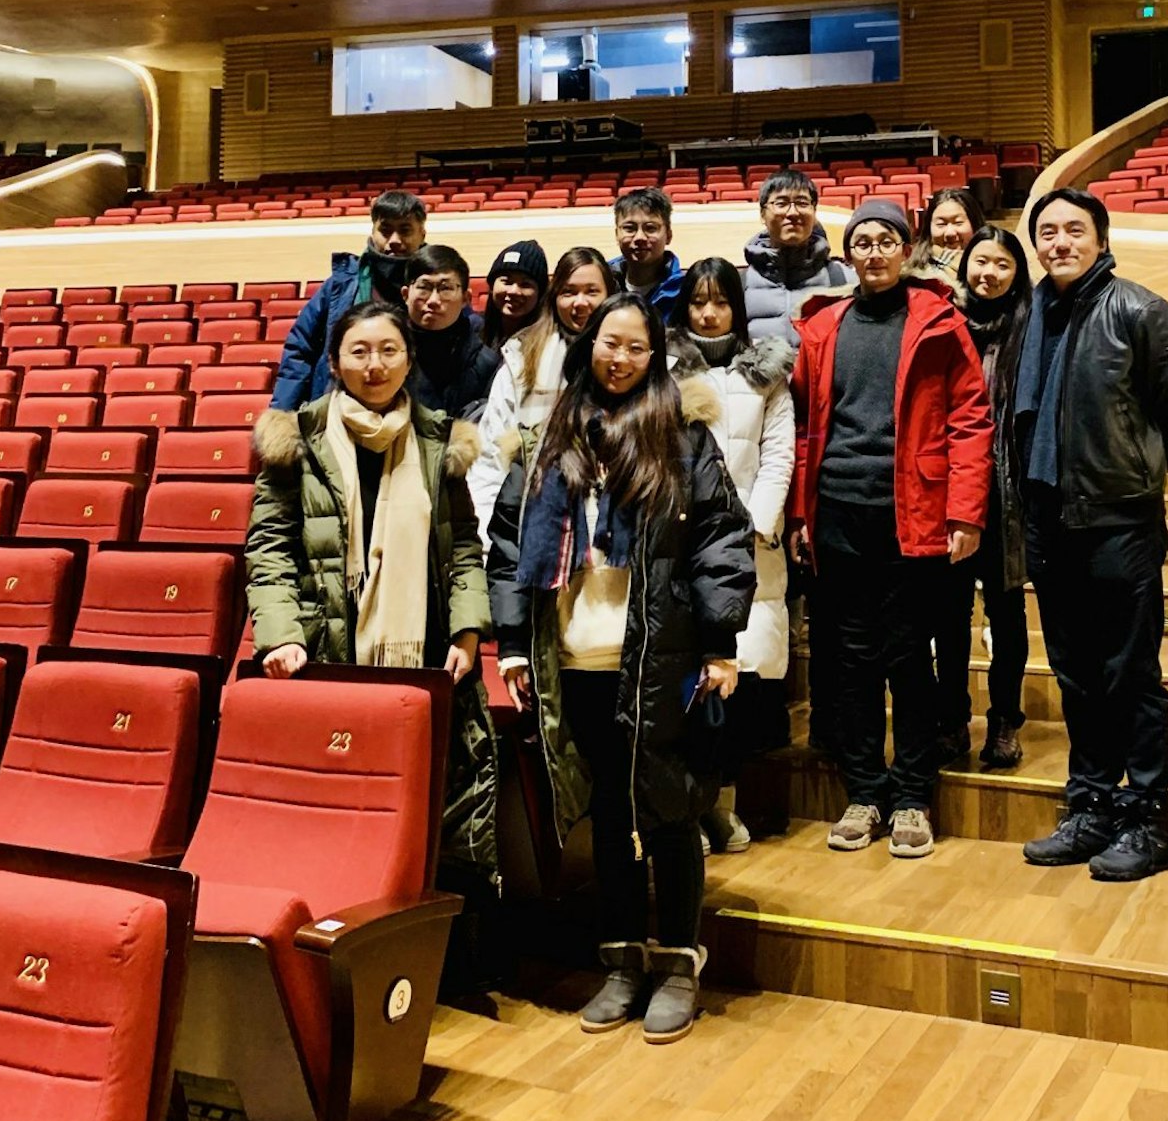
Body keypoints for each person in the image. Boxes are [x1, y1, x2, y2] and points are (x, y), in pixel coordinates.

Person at [487, 292, 754, 1043]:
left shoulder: (681, 437)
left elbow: (719, 542)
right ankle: (621, 960)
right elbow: (509, 545)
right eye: (611, 342)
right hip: (575, 657)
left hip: (659, 655)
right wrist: (512, 641)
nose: (621, 357)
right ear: (587, 344)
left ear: (655, 357)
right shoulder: (548, 439)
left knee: (668, 810)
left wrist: (718, 643)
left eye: (638, 347)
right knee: (606, 816)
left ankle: (675, 962)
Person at [248, 301, 496, 880]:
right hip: (323, 656)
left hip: (424, 657)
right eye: (359, 351)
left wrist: (466, 630)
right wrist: (280, 637)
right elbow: (269, 550)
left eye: (389, 350)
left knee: (420, 813)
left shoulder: (439, 442)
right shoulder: (297, 440)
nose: (375, 364)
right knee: (335, 816)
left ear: (409, 361)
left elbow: (463, 547)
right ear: (334, 363)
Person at [1015, 188, 1168, 884]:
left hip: (1119, 521)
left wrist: (1137, 464)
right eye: (1048, 231)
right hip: (1049, 520)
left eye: (1074, 230)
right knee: (1077, 674)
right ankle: (1091, 805)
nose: (1059, 242)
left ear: (1101, 237)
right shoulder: (1031, 314)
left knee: (1130, 674)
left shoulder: (1138, 309)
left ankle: (1145, 816)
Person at [788, 199, 992, 860]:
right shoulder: (823, 326)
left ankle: (910, 794)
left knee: (908, 658)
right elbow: (800, 428)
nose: (873, 252)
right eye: (862, 242)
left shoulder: (939, 320)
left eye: (886, 241)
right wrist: (799, 513)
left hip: (914, 515)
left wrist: (965, 510)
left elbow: (970, 418)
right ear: (848, 253)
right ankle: (864, 791)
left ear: (907, 249)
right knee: (849, 662)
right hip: (839, 515)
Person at [667, 256, 796, 853]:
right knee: (684, 686)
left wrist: (753, 526)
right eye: (698, 301)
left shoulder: (766, 373)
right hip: (679, 544)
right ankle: (689, 810)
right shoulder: (662, 368)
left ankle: (722, 802)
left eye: (720, 302)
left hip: (749, 548)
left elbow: (778, 456)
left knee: (738, 686)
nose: (709, 312)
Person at [933, 228, 1032, 773]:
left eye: (1001, 264)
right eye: (979, 262)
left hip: (1008, 497)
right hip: (948, 491)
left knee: (1007, 614)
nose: (988, 273)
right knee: (948, 618)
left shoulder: (1031, 327)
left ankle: (1005, 721)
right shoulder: (945, 323)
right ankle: (951, 720)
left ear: (1017, 273)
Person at [469, 246, 614, 541]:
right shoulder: (521, 360)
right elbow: (489, 461)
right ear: (554, 297)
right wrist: (486, 540)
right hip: (535, 534)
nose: (580, 303)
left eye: (591, 291)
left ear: (610, 295)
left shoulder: (635, 361)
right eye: (569, 292)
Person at [270, 189, 427, 410]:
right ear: (373, 231)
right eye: (385, 230)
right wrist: (282, 416)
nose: (394, 240)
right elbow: (300, 349)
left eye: (405, 230)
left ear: (422, 233)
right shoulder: (341, 284)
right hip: (338, 409)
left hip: (415, 411)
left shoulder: (438, 286)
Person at [740, 168, 851, 342]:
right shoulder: (740, 285)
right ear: (763, 214)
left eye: (802, 203)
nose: (792, 213)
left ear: (814, 212)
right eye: (781, 203)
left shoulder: (845, 279)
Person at [405, 244, 500, 419]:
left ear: (466, 299)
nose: (433, 300)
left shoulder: (487, 364)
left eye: (446, 289)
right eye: (424, 287)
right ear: (405, 295)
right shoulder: (386, 358)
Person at [610, 187, 683, 315]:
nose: (640, 238)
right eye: (629, 228)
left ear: (669, 235)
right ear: (617, 234)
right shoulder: (601, 285)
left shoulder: (686, 290)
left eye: (650, 228)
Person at [908, 186, 986, 287]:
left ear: (975, 224)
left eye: (958, 223)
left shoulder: (994, 267)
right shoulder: (915, 275)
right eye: (941, 224)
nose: (950, 233)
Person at [483, 240, 550, 351]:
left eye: (525, 284)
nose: (514, 291)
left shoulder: (550, 344)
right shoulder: (472, 331)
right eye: (506, 281)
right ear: (491, 286)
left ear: (540, 294)